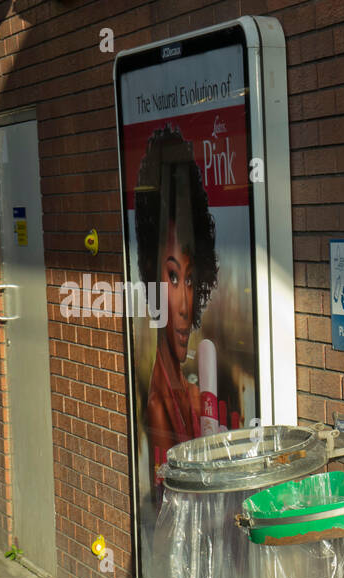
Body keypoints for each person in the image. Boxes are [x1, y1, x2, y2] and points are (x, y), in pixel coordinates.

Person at [134, 126, 219, 497]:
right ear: (149, 274)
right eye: (172, 276)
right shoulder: (158, 406)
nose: (185, 306)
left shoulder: (188, 394)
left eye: (189, 279)